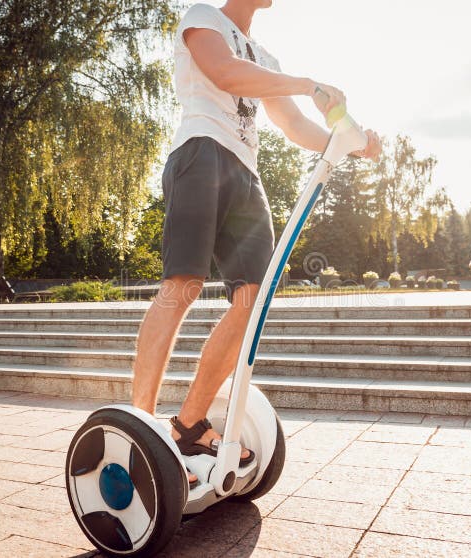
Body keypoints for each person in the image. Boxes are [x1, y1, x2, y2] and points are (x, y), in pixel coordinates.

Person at [131, 0, 381, 485]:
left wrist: (351, 141)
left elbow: (292, 127)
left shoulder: (266, 56)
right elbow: (226, 73)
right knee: (182, 284)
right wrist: (309, 85)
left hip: (247, 173)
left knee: (254, 297)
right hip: (200, 152)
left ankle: (188, 423)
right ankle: (138, 425)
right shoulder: (203, 17)